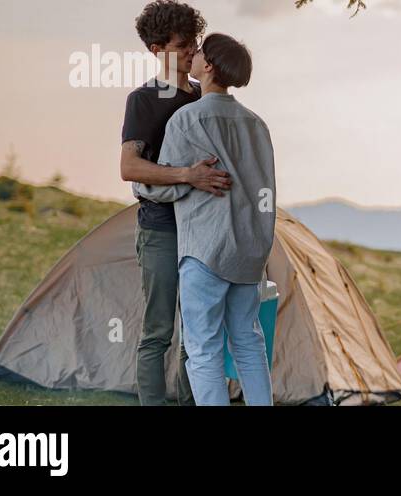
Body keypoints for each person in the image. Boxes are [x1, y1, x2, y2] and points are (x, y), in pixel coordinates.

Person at [135, 33, 275, 406]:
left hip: (205, 249)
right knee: (248, 342)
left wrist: (143, 187)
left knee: (203, 349)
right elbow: (264, 192)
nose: (192, 57)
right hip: (249, 252)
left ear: (208, 66)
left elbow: (174, 183)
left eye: (198, 53)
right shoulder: (257, 125)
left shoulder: (186, 119)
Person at [120, 0, 230, 406]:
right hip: (162, 230)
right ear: (156, 49)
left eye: (193, 43)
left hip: (204, 231)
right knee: (158, 333)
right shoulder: (144, 100)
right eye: (182, 44)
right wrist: (188, 175)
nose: (192, 52)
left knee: (198, 333)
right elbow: (129, 167)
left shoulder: (206, 96)